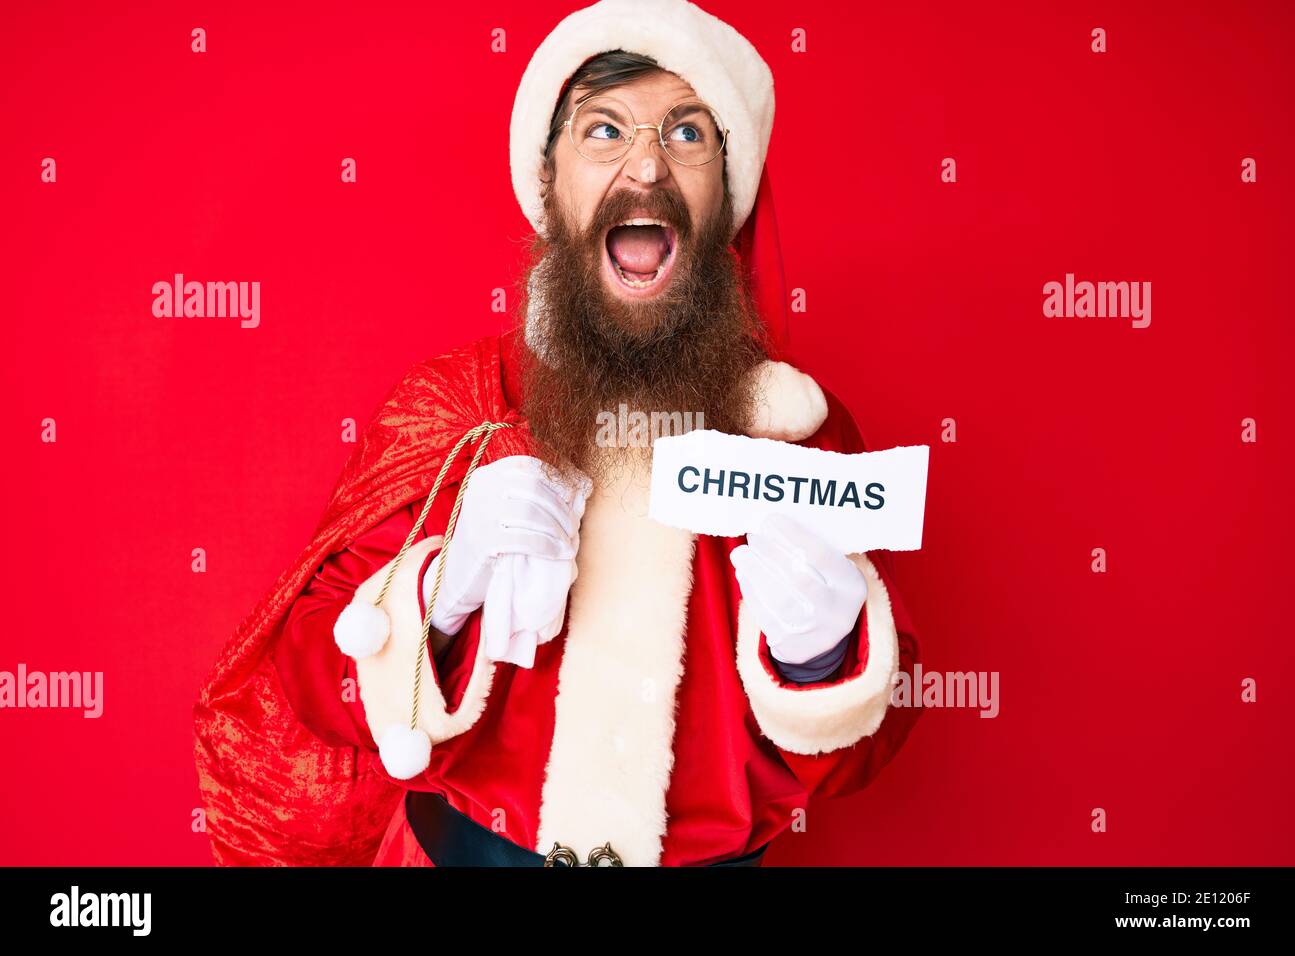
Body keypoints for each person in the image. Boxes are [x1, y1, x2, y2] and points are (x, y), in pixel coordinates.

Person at [193, 0, 923, 867]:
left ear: (727, 193)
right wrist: (440, 594)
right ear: (548, 182)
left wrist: (825, 657)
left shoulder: (799, 433)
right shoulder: (457, 404)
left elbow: (868, 743)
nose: (647, 164)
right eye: (604, 130)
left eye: (688, 134)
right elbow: (312, 672)